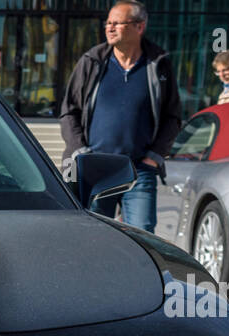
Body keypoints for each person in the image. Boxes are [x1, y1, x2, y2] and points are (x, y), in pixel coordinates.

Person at [58, 1, 181, 233]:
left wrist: (153, 157)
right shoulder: (91, 62)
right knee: (92, 235)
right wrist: (81, 151)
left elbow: (172, 117)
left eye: (117, 23)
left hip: (139, 170)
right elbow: (69, 111)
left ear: (139, 26)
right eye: (108, 23)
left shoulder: (158, 65)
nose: (110, 28)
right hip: (95, 170)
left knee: (143, 236)